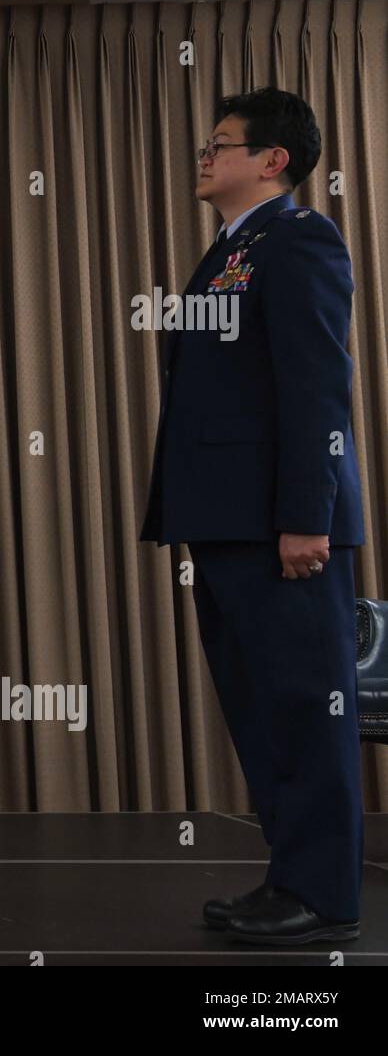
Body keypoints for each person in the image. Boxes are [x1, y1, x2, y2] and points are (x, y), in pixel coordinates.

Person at [141, 86, 364, 945]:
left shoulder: (299, 241)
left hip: (286, 527)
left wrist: (306, 516)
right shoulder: (233, 248)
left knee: (306, 707)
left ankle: (323, 893)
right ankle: (292, 876)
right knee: (262, 706)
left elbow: (315, 389)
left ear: (273, 160)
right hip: (230, 522)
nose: (206, 154)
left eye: (221, 143)